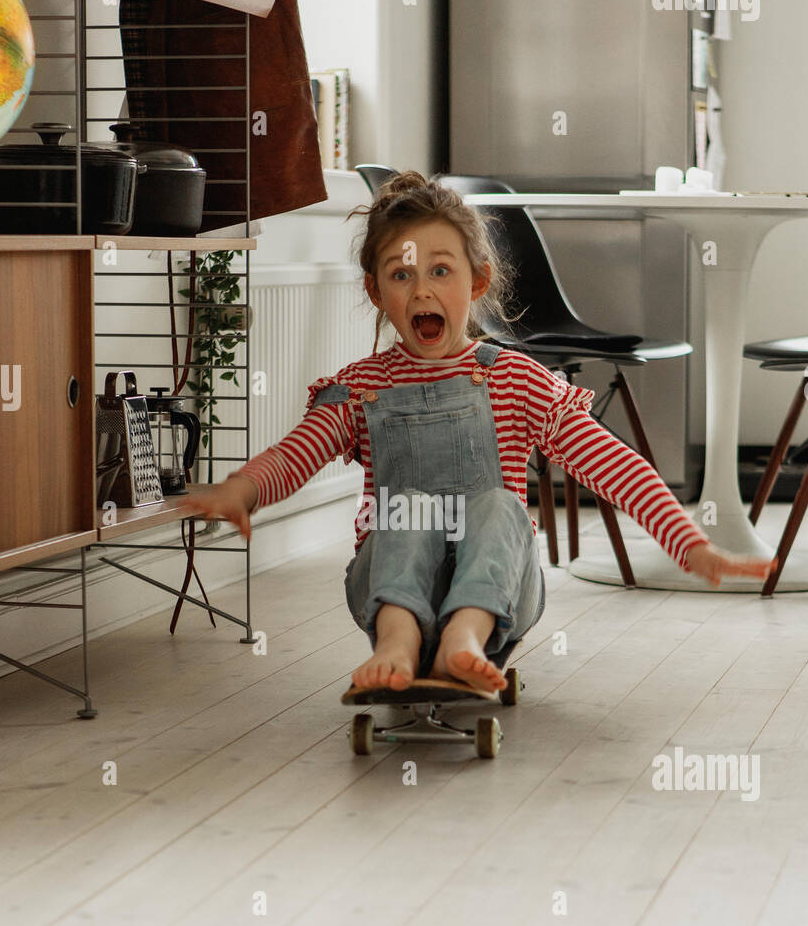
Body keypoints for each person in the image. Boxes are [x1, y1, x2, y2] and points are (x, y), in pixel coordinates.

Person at [192, 172, 773, 694]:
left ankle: (462, 639)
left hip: (500, 590)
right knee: (407, 509)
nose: (422, 290)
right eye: (402, 274)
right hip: (387, 586)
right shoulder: (361, 387)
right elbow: (296, 454)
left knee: (500, 506)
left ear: (477, 281)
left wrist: (687, 541)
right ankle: (398, 642)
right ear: (376, 292)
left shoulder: (515, 378)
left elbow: (612, 463)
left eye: (440, 270)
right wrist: (242, 490)